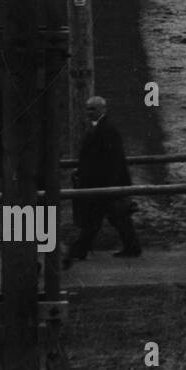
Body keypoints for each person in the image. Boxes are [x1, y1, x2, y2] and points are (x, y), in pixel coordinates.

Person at [65, 96, 141, 267]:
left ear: (103, 110)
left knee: (98, 218)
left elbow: (111, 160)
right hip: (104, 183)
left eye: (93, 109)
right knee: (112, 218)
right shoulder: (102, 128)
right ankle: (131, 247)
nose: (89, 112)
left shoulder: (105, 129)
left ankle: (80, 250)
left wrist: (109, 184)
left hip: (105, 183)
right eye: (87, 109)